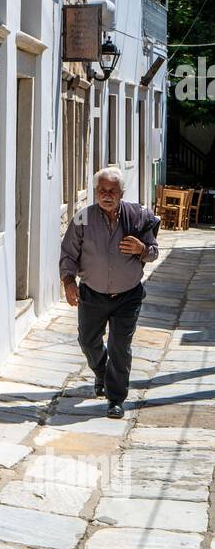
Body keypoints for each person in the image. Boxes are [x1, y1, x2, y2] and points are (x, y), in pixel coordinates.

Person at [59, 166, 160, 418]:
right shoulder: (83, 218)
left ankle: (116, 399)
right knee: (88, 341)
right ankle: (102, 374)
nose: (106, 195)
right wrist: (68, 282)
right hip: (92, 293)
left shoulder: (139, 216)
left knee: (120, 346)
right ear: (96, 192)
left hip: (128, 295)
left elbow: (154, 251)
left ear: (121, 192)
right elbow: (68, 254)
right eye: (102, 190)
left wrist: (141, 249)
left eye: (112, 190)